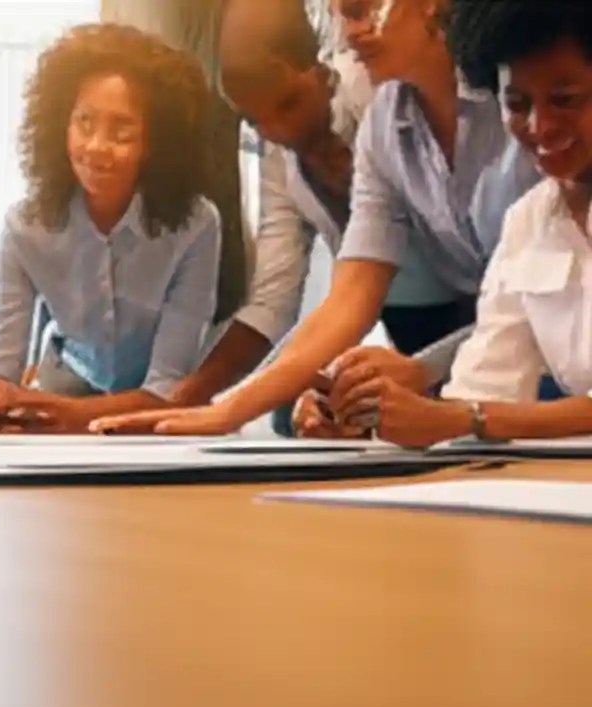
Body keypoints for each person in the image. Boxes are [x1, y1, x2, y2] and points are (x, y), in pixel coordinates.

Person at [92, 0, 541, 436]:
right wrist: (223, 411)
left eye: (362, 10)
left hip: (542, 337)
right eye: (340, 17)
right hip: (481, 339)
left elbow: (538, 304)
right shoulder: (387, 121)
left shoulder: (519, 102)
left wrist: (424, 370)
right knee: (303, 407)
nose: (350, 35)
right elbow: (350, 298)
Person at [165, 0, 465, 416]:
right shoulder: (284, 159)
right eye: (255, 121)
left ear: (323, 65)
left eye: (287, 104)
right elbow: (284, 298)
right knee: (295, 410)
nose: (276, 130)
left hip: (476, 305)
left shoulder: (381, 99)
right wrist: (201, 396)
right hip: (395, 318)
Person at [326, 0, 592, 447]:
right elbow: (482, 387)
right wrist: (368, 413)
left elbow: (474, 415)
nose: (539, 126)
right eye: (516, 103)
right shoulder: (527, 223)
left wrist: (470, 419)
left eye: (565, 101)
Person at [0, 22, 222, 432]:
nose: (96, 147)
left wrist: (59, 413)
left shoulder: (196, 225)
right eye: (84, 122)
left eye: (122, 130)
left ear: (154, 142)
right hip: (66, 380)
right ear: (60, 125)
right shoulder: (24, 228)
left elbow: (166, 390)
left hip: (151, 411)